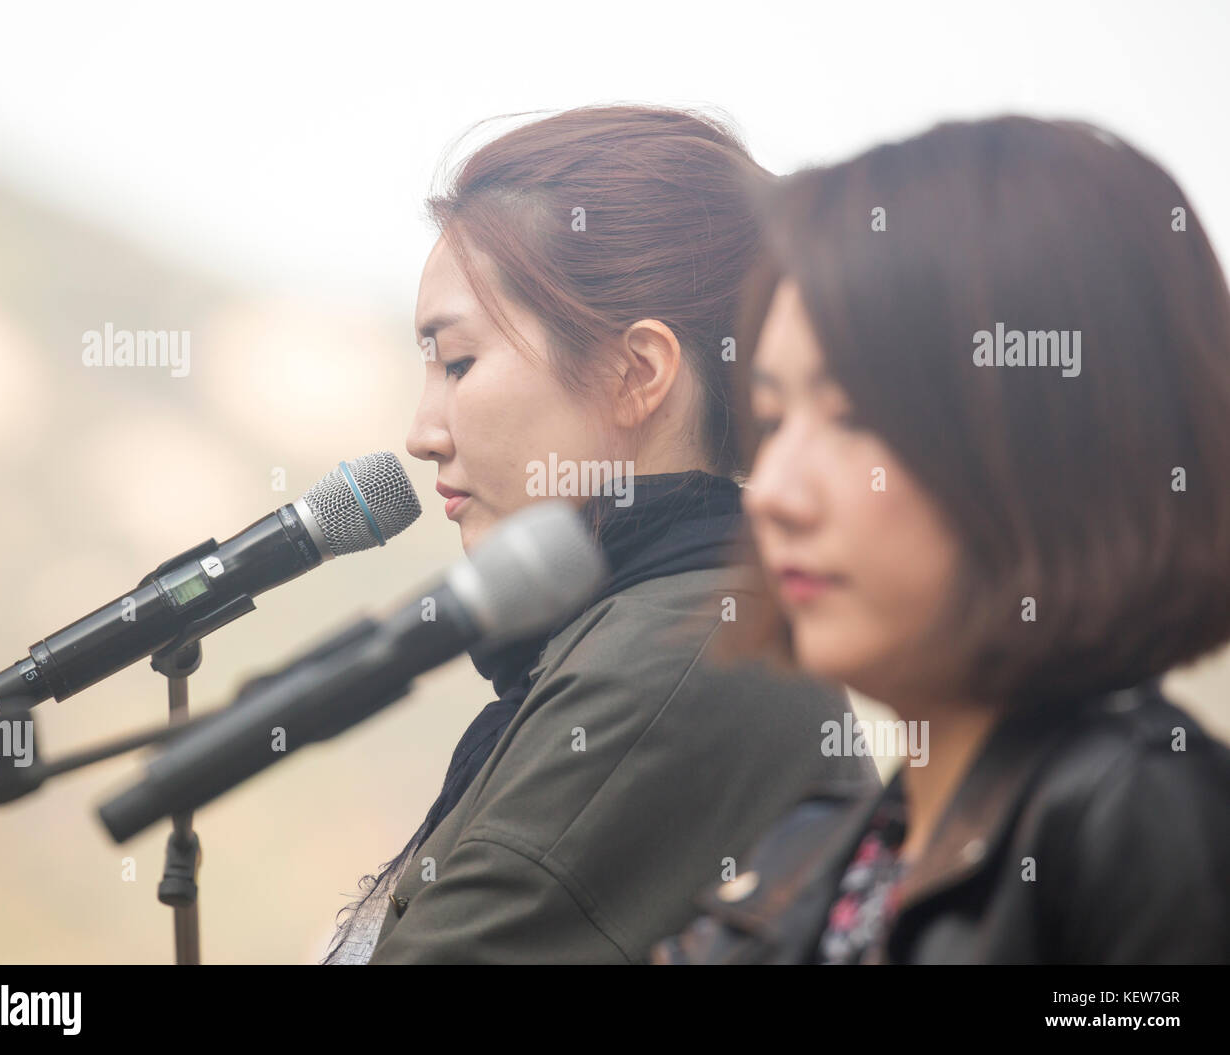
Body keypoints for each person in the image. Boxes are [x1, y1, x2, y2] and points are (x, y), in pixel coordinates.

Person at [654, 115, 1230, 964]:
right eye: (773, 421)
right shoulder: (834, 848)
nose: (772, 491)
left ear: (1060, 436)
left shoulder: (1136, 816)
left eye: (854, 418)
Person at [321, 104, 878, 964]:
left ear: (636, 373)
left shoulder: (678, 656)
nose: (423, 432)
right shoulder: (666, 627)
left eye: (460, 362)